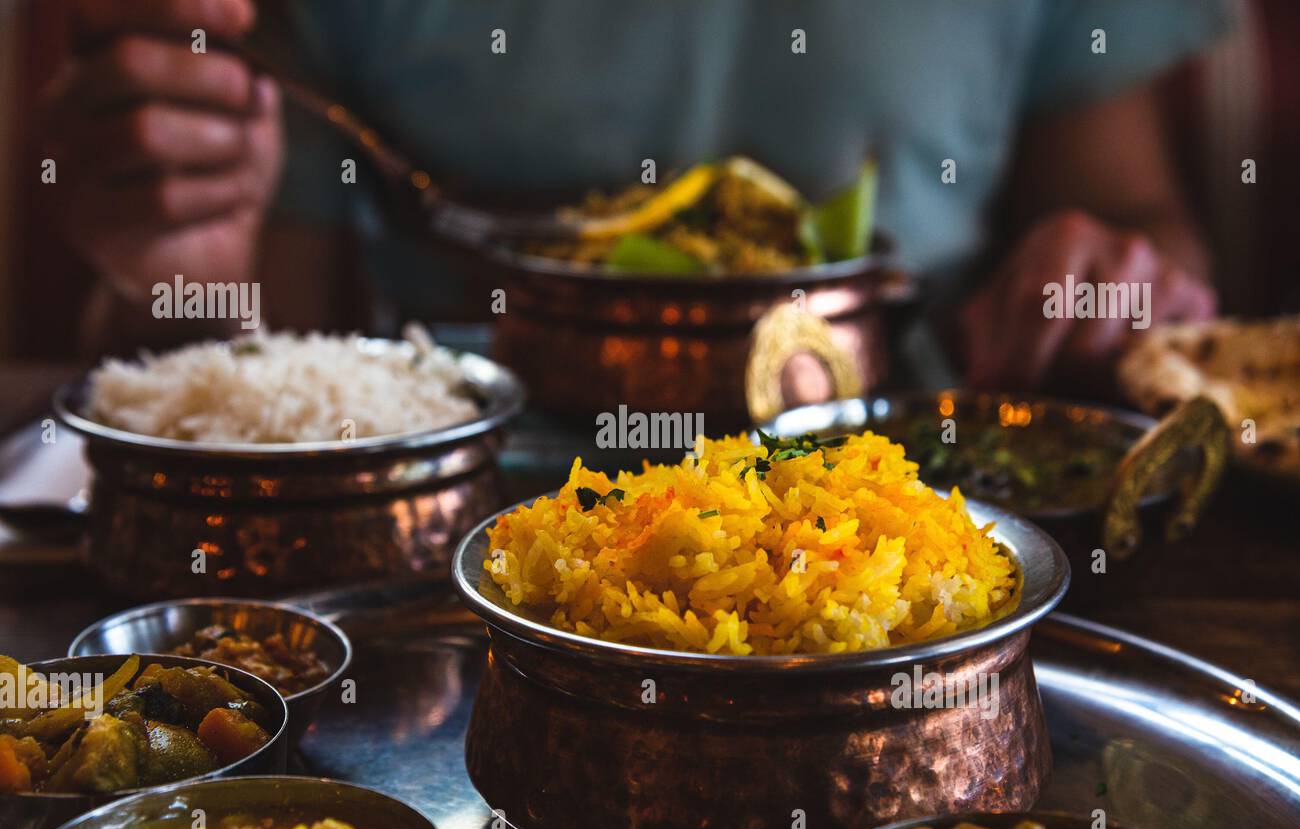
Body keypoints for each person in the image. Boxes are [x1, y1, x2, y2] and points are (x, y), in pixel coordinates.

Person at [42, 0, 1233, 391]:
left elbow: (1136, 216)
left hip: (939, 517)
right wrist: (166, 262)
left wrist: (1120, 284)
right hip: (469, 554)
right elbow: (251, 348)